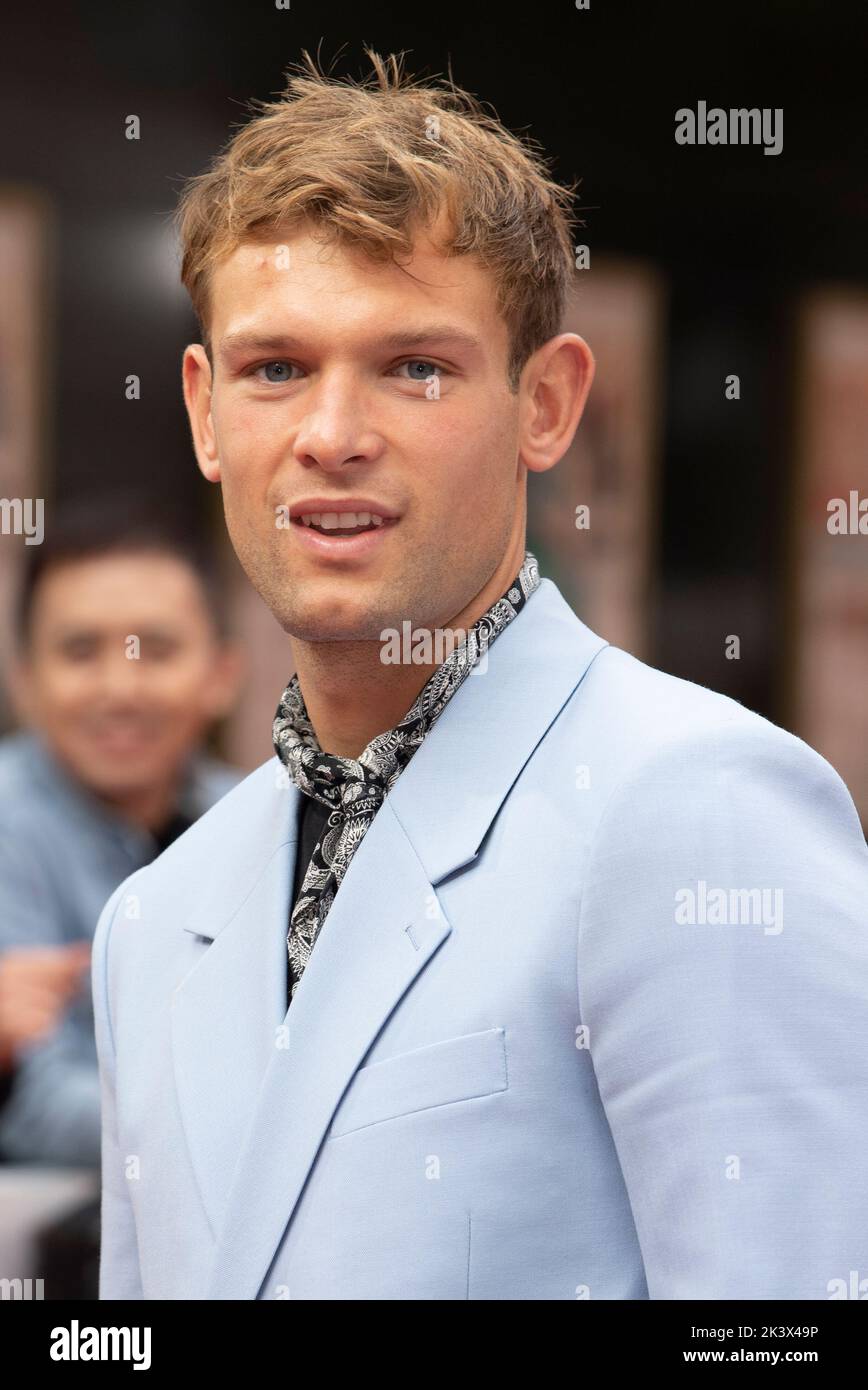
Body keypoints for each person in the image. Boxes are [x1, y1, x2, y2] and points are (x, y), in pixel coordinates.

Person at [93, 50, 868, 1300]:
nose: (332, 435)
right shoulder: (155, 917)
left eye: (416, 367)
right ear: (204, 410)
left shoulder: (697, 810)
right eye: (275, 367)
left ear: (546, 405)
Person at [0, 502, 243, 1166]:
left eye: (156, 650)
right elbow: (41, 1109)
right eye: (80, 651)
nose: (120, 688)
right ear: (24, 679)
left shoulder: (258, 821)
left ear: (221, 675)